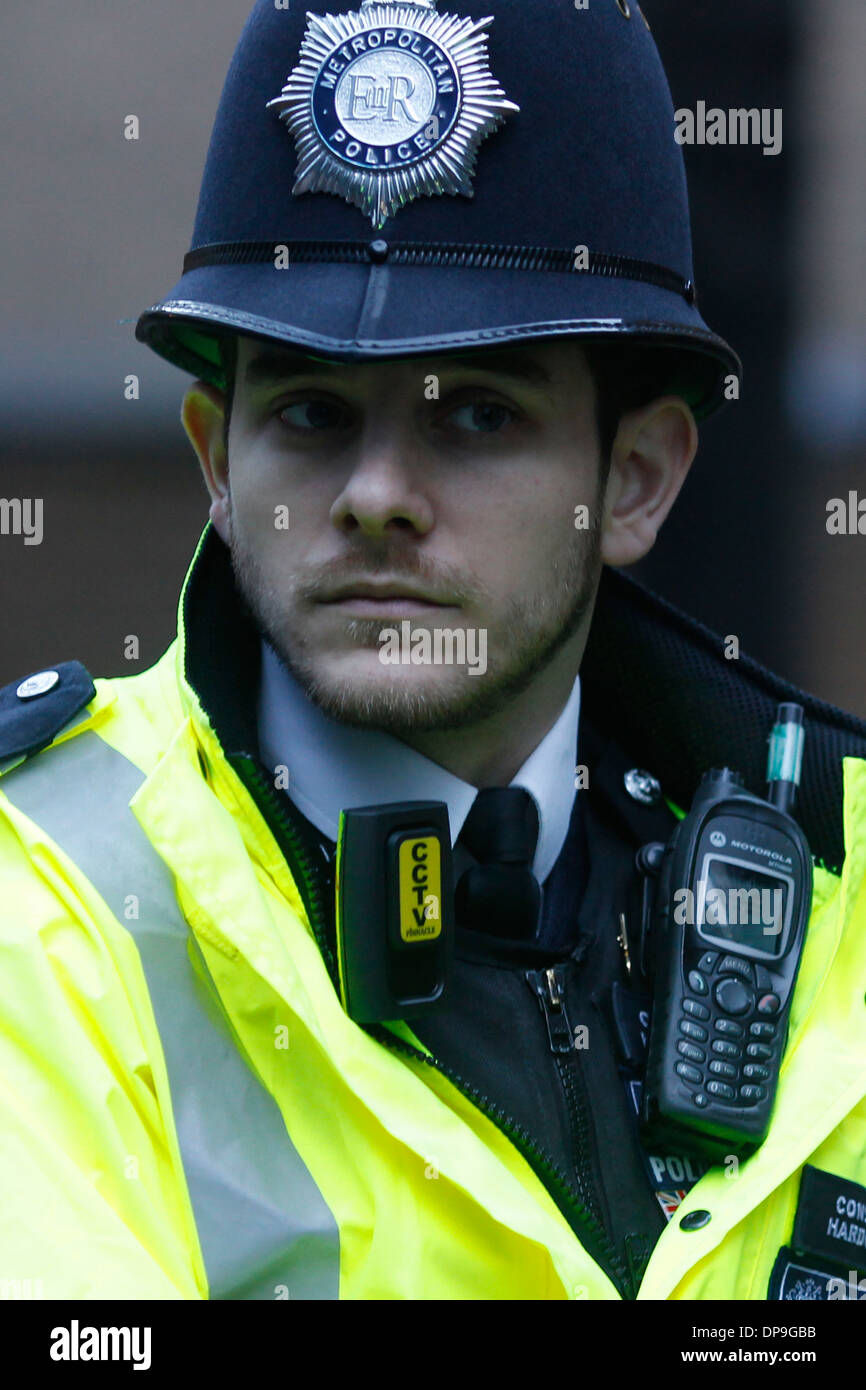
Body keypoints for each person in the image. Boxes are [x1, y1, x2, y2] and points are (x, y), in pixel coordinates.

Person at [1, 0, 865, 1303]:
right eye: (308, 409)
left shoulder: (842, 883)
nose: (375, 492)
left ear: (633, 478)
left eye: (473, 410)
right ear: (217, 459)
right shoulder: (39, 907)